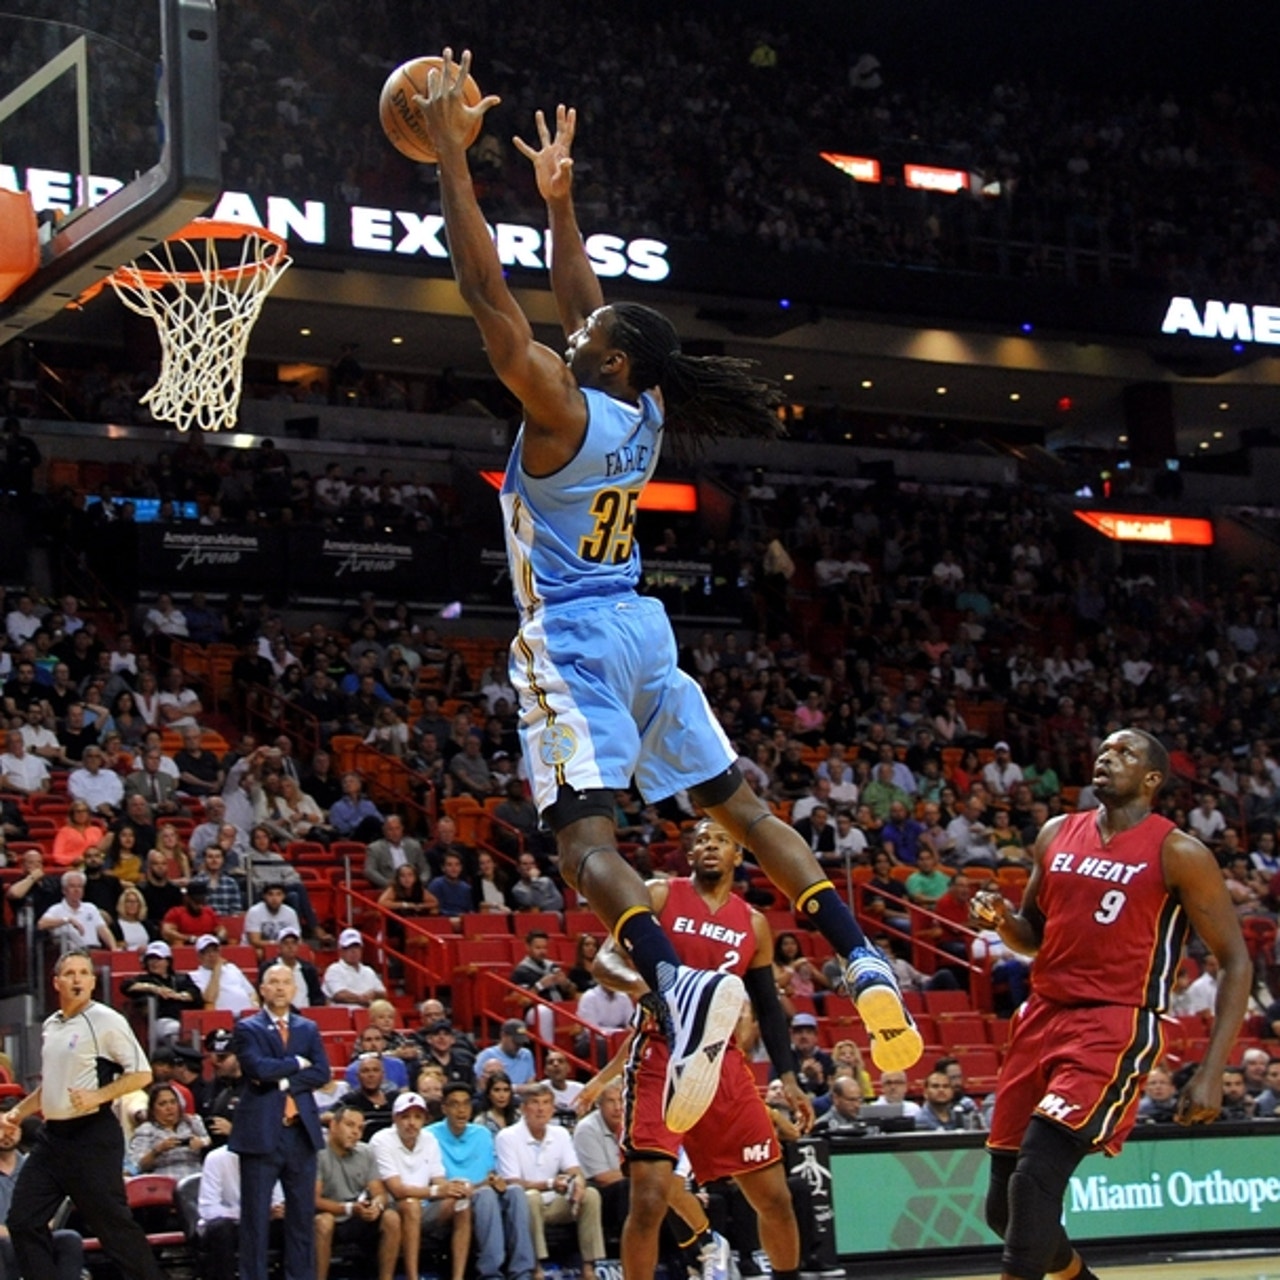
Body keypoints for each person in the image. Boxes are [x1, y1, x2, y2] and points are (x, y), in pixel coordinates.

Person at [413, 57, 919, 1136]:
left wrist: (452, 157)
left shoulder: (558, 406)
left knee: (582, 843)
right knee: (742, 808)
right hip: (645, 629)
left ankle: (678, 983)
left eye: (586, 341)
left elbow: (484, 292)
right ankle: (860, 953)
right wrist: (560, 205)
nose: (573, 334)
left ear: (610, 363)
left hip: (573, 635)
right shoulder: (638, 409)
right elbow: (587, 304)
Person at [973, 729, 1252, 1280]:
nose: (1107, 756)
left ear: (1152, 779)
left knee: (1034, 1180)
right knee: (1004, 1211)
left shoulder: (1179, 852)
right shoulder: (1056, 833)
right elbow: (1033, 936)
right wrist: (1003, 920)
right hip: (1041, 1015)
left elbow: (1236, 961)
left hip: (1114, 1024)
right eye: (1104, 749)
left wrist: (1213, 1070)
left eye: (1124, 752)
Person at [593, 817, 810, 1280]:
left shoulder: (754, 924)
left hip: (720, 1061)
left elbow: (769, 1008)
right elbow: (604, 960)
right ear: (690, 854)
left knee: (775, 1198)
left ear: (737, 856)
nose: (711, 846)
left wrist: (789, 1078)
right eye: (702, 840)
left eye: (722, 840)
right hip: (659, 1054)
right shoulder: (658, 894)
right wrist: (641, 986)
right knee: (649, 1198)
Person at [0, 949, 166, 1280]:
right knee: (22, 1221)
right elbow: (51, 1085)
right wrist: (17, 1113)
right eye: (70, 973)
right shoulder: (52, 1025)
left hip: (92, 1137)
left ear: (92, 982)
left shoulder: (106, 1020)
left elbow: (141, 1074)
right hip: (53, 1139)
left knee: (114, 1229)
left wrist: (98, 1095)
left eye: (84, 973)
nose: (77, 979)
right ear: (56, 982)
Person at [230, 963, 331, 1280]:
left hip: (300, 1134)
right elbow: (257, 1068)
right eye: (273, 982)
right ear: (262, 989)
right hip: (261, 1134)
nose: (279, 987)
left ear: (294, 989)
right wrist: (297, 1063)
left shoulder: (308, 1028)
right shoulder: (247, 1028)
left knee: (302, 1218)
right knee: (255, 1219)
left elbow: (322, 1072)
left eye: (286, 982)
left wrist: (285, 1080)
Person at [428, 1080, 537, 1280]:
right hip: (452, 1199)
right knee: (485, 1194)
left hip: (482, 1192)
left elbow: (490, 1173)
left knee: (515, 1191)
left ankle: (522, 1272)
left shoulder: (482, 1133)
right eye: (455, 1104)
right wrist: (480, 1186)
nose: (461, 1110)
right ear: (444, 1108)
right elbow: (439, 1183)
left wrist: (496, 1181)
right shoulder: (430, 1135)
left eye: (466, 1104)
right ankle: (491, 1273)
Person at [494, 1082, 604, 1280]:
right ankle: (536, 1267)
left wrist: (578, 1184)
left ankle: (589, 1267)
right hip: (523, 1206)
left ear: (553, 1109)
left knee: (590, 1194)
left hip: (555, 1204)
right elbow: (512, 1183)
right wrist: (550, 1184)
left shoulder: (560, 1133)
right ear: (523, 1109)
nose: (541, 1109)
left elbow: (574, 1170)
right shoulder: (507, 1137)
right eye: (535, 1103)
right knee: (531, 1197)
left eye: (546, 1103)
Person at [369, 1092, 471, 1280]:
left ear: (424, 1119)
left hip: (425, 1206)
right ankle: (413, 1276)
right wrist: (437, 1190)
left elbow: (438, 1179)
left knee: (461, 1203)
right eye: (405, 1117)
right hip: (393, 1207)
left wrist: (454, 1187)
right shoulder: (381, 1140)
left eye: (417, 1117)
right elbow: (397, 1190)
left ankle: (458, 1277)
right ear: (395, 1118)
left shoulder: (429, 1139)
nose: (412, 1123)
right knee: (411, 1204)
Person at [314, 1103, 401, 1280]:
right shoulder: (317, 1154)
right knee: (324, 1222)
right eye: (350, 1125)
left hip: (356, 1216)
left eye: (360, 1128)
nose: (355, 1132)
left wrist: (376, 1206)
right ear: (333, 1125)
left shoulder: (366, 1151)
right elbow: (314, 1200)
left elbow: (379, 1193)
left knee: (391, 1217)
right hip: (330, 1215)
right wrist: (349, 1208)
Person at [0, 1098, 84, 1280]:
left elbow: (50, 1216)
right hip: (5, 1239)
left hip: (33, 1234)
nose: (6, 1134)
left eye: (12, 1128)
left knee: (69, 1238)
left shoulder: (34, 1166)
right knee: (6, 1245)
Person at [196, 1142, 284, 1280]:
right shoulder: (216, 1158)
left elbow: (277, 1199)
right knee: (221, 1229)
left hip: (261, 1223)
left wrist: (278, 1209)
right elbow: (208, 1209)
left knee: (291, 1225)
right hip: (231, 1226)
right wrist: (251, 1213)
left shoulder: (270, 1157)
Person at [121, 939, 203, 1041]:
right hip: (160, 1021)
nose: (153, 963)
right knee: (176, 1029)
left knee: (194, 1027)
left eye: (158, 959)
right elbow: (126, 986)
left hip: (184, 1018)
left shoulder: (181, 978)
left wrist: (178, 996)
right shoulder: (145, 979)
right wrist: (155, 989)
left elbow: (196, 994)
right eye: (150, 959)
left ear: (167, 961)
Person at [127, 1082, 210, 1176]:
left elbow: (210, 1141)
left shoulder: (192, 1122)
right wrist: (158, 1150)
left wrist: (202, 1142)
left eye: (173, 1102)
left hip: (195, 1176)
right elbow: (138, 1165)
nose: (169, 1108)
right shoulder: (146, 1130)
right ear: (153, 1109)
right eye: (162, 1104)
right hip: (164, 1179)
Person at [37, 870, 116, 953]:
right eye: (72, 886)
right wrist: (67, 920)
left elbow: (103, 930)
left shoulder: (91, 908)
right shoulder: (56, 909)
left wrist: (114, 948)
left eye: (80, 886)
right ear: (64, 890)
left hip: (93, 951)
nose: (77, 890)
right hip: (70, 953)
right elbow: (41, 924)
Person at [192, 934, 261, 1012]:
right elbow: (209, 999)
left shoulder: (232, 968)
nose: (212, 955)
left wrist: (255, 1005)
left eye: (215, 950)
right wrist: (217, 969)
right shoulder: (195, 976)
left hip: (248, 1014)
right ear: (199, 956)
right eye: (207, 952)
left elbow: (251, 992)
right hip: (224, 1017)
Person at [323, 928, 388, 1007]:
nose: (353, 951)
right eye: (348, 948)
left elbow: (383, 993)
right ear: (341, 951)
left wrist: (374, 994)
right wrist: (361, 998)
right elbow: (339, 995)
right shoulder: (334, 970)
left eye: (356, 947)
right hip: (344, 1012)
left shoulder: (369, 971)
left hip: (367, 1012)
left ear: (361, 949)